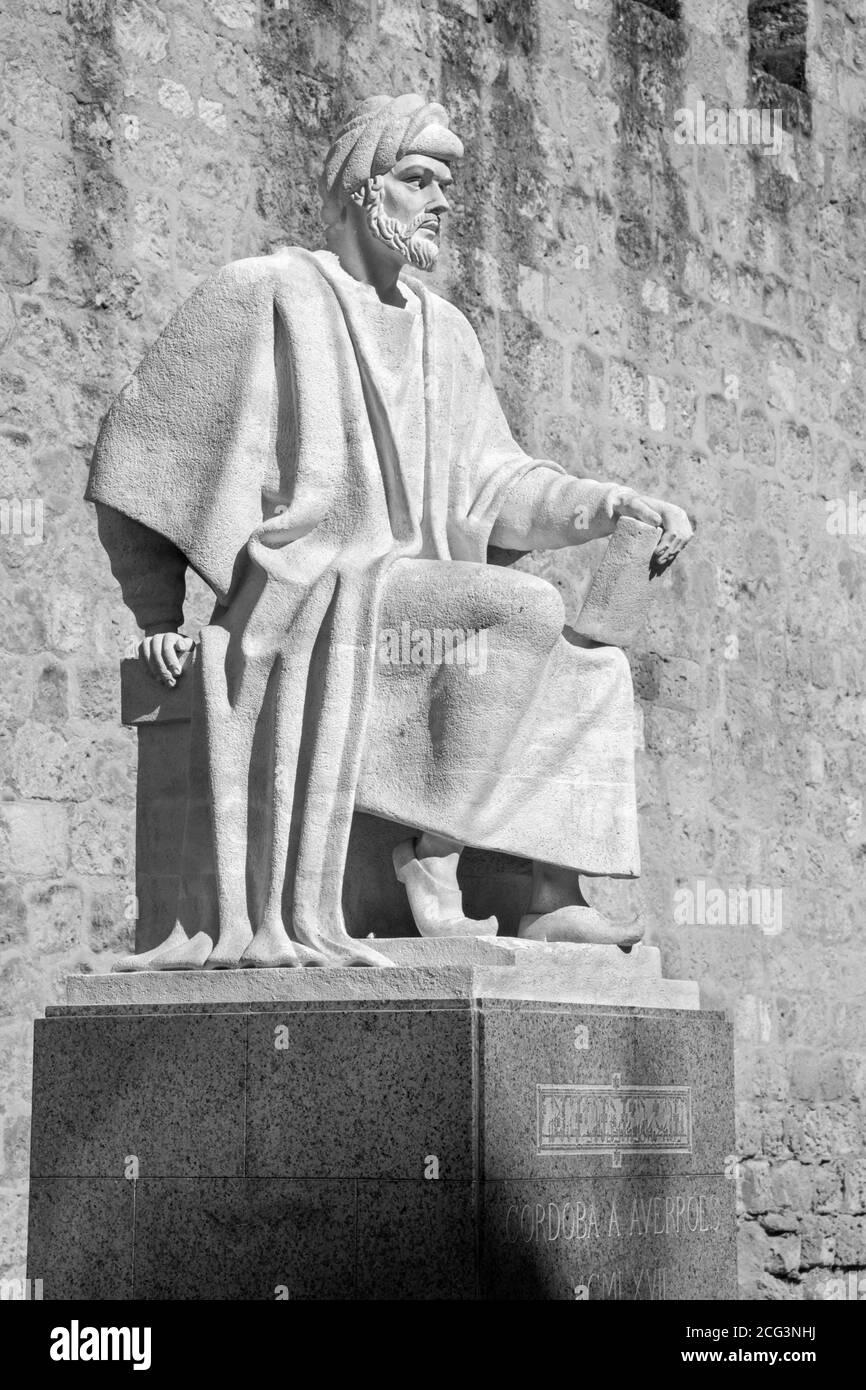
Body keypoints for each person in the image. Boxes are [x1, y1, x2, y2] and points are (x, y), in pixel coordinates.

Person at [87, 93, 693, 970]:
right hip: (321, 593)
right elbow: (142, 453)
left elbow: (497, 483)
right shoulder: (267, 293)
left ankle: (551, 899)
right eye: (417, 179)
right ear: (360, 189)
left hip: (418, 601)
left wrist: (607, 505)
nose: (440, 201)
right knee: (520, 606)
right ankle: (432, 857)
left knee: (594, 667)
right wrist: (157, 620)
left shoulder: (446, 333)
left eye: (445, 184)